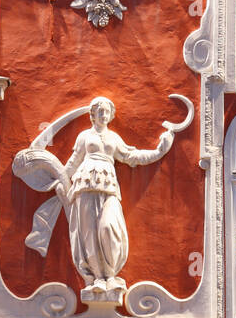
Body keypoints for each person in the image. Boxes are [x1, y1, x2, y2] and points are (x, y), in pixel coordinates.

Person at [56, 97, 174, 300]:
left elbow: (132, 156)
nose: (104, 115)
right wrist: (60, 181)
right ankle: (98, 278)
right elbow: (73, 162)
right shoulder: (84, 136)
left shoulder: (113, 139)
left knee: (108, 227)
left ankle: (110, 274)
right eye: (100, 111)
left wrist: (160, 151)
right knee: (89, 234)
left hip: (109, 187)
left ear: (111, 115)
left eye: (107, 111)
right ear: (92, 114)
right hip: (84, 185)